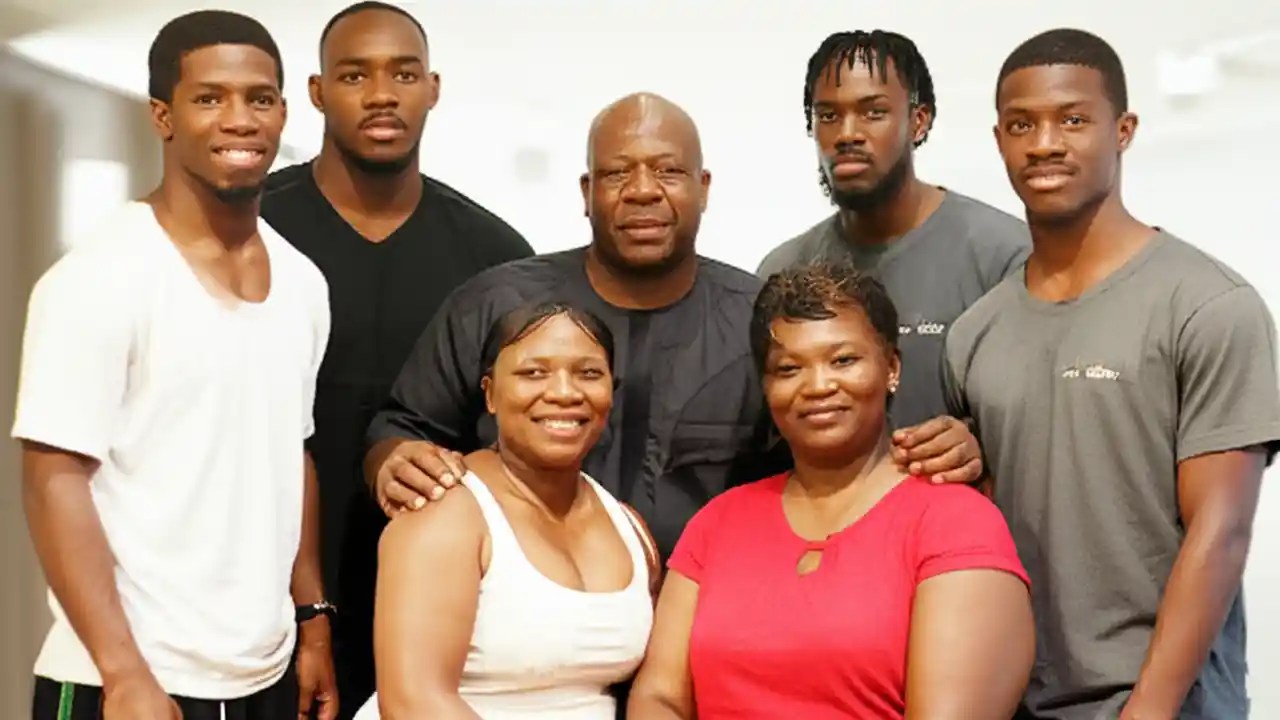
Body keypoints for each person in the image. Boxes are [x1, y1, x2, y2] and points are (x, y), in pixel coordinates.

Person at [364, 92, 984, 569]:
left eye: (667, 172)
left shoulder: (757, 320)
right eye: (615, 174)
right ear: (586, 191)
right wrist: (393, 460)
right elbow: (401, 426)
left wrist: (950, 449)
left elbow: (846, 452)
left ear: (703, 189)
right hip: (524, 628)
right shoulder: (499, 301)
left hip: (708, 625)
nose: (641, 193)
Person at [943, 28, 1280, 720]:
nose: (1044, 143)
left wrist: (1147, 711)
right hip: (1021, 701)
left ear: (1122, 130)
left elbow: (1222, 530)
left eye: (1073, 119)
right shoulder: (975, 332)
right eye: (1021, 124)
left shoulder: (1209, 304)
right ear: (999, 139)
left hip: (1167, 705)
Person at [13, 10, 337, 720]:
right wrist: (123, 670)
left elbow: (294, 454)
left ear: (283, 110)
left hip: (263, 674)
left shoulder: (304, 282)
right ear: (163, 115)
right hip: (123, 679)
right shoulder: (99, 278)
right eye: (209, 97)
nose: (240, 119)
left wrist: (310, 614)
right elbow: (52, 480)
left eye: (259, 98)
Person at [260, 2, 534, 714]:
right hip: (260, 606)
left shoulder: (495, 257)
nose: (382, 94)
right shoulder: (256, 229)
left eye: (403, 74)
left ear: (432, 88)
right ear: (318, 94)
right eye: (355, 75)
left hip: (438, 609)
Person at [627, 262, 1034, 719]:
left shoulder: (954, 523)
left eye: (843, 360)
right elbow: (660, 697)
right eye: (788, 368)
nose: (818, 386)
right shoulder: (718, 521)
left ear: (892, 368)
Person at [354, 301, 659, 719]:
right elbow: (413, 702)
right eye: (533, 373)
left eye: (588, 373)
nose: (564, 392)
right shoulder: (447, 512)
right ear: (490, 394)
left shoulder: (629, 528)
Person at [757, 30, 1030, 429]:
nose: (848, 133)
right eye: (828, 115)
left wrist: (977, 445)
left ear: (919, 122)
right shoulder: (784, 271)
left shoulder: (1002, 256)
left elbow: (1035, 422)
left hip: (960, 490)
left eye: (873, 112)